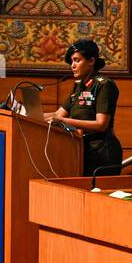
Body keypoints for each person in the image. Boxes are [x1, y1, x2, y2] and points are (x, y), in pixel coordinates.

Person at [45, 38, 121, 176]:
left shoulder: (104, 85)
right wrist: (26, 113)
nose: (72, 65)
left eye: (77, 60)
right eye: (72, 61)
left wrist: (63, 121)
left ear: (91, 61)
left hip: (102, 152)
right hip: (81, 148)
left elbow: (101, 124)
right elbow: (58, 114)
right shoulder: (78, 86)